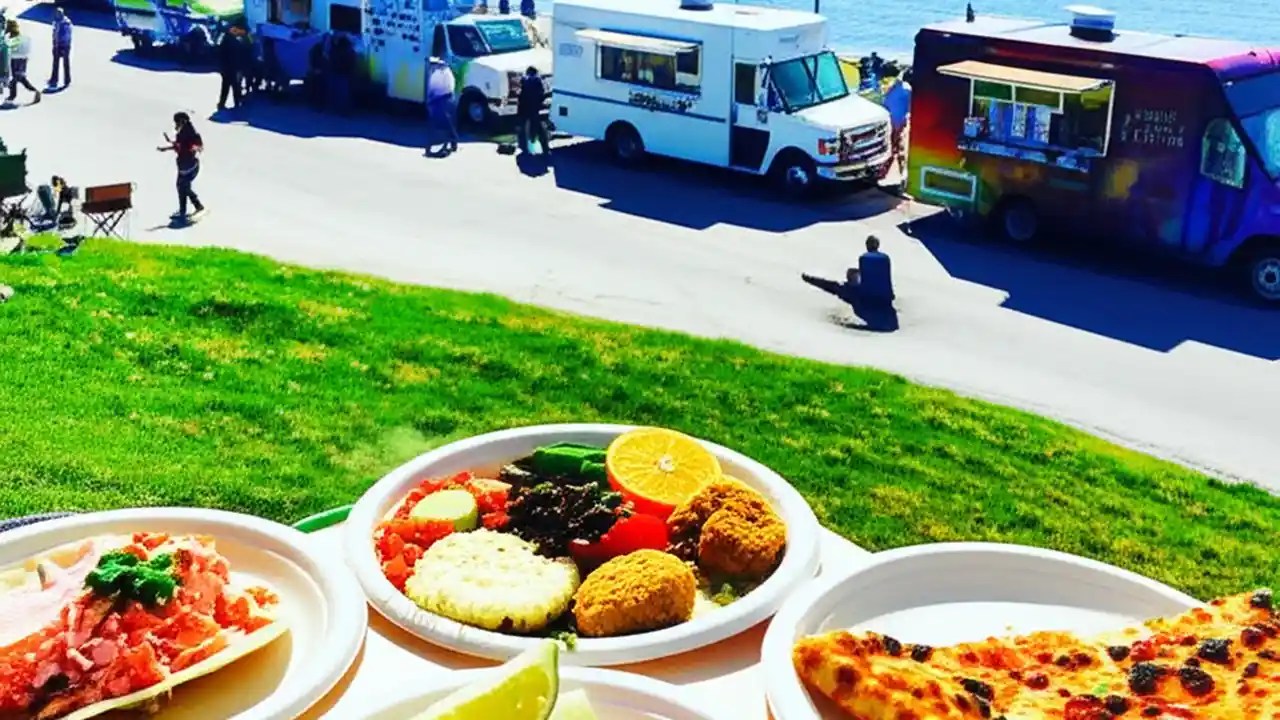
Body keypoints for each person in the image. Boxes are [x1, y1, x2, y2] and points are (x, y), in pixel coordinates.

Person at [801, 236, 898, 332]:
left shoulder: (864, 259)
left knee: (835, 288)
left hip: (866, 303)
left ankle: (811, 280)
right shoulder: (885, 258)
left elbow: (834, 286)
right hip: (886, 304)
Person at [157, 112, 206, 222]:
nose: (175, 125)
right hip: (185, 166)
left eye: (177, 122)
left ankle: (185, 210)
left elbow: (195, 145)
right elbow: (181, 146)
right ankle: (195, 206)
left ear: (182, 121)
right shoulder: (184, 132)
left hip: (189, 166)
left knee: (182, 187)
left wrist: (194, 148)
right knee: (182, 187)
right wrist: (167, 147)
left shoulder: (189, 133)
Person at [881, 64, 912, 177]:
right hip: (894, 123)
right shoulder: (900, 89)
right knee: (894, 150)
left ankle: (899, 174)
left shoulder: (901, 89)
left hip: (896, 123)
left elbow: (908, 107)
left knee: (897, 150)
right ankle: (889, 173)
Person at [424, 56, 459, 154]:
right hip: (436, 99)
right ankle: (443, 142)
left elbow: (449, 86)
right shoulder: (434, 72)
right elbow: (431, 87)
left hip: (444, 99)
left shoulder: (444, 72)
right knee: (440, 122)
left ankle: (451, 142)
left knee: (447, 122)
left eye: (433, 64)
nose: (431, 66)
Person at [516, 66, 549, 156]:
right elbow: (541, 95)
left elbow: (520, 95)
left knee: (523, 129)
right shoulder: (538, 81)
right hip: (535, 108)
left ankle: (524, 148)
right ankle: (545, 148)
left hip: (524, 108)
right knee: (540, 129)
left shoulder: (523, 81)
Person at [6, 20, 41, 105]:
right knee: (20, 78)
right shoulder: (21, 36)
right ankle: (34, 91)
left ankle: (12, 96)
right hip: (22, 59)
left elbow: (9, 45)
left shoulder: (14, 37)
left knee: (15, 79)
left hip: (16, 60)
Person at [327, 33, 355, 114]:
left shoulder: (334, 49)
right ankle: (343, 109)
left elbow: (331, 60)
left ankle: (338, 108)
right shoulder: (348, 51)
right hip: (344, 73)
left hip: (337, 72)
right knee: (343, 92)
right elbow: (351, 61)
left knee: (336, 91)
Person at [216, 26, 242, 110]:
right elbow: (237, 55)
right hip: (232, 67)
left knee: (226, 86)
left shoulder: (224, 40)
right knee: (235, 85)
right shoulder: (234, 41)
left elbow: (219, 54)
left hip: (226, 67)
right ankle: (237, 102)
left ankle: (222, 103)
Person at [48, 8, 71, 89]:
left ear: (62, 14)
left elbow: (66, 36)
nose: (56, 15)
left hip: (64, 46)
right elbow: (54, 33)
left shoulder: (65, 23)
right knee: (55, 63)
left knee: (65, 63)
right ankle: (54, 79)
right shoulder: (56, 22)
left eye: (58, 14)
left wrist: (62, 45)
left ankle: (67, 80)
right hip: (56, 45)